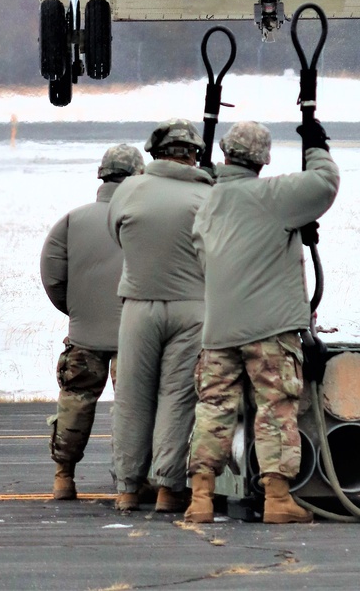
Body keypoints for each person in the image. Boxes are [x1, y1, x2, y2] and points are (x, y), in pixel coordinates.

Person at [185, 120, 340, 525]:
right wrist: (316, 144)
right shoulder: (272, 196)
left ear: (225, 153)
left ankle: (200, 496)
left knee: (213, 407)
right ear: (263, 159)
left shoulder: (209, 204)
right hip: (268, 329)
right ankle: (277, 498)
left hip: (218, 327)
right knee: (275, 408)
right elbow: (324, 184)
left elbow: (204, 258)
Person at [108, 119, 214, 514]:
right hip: (193, 306)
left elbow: (115, 234)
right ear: (193, 155)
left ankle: (127, 488)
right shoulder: (208, 195)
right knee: (177, 397)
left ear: (155, 153)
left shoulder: (130, 189)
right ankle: (168, 488)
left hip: (138, 304)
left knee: (133, 398)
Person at [40, 143, 145, 501]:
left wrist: (77, 311)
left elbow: (53, 277)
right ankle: (130, 485)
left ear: (101, 177)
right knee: (134, 408)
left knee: (74, 403)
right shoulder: (144, 220)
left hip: (84, 335)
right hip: (136, 333)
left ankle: (63, 477)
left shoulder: (72, 221)